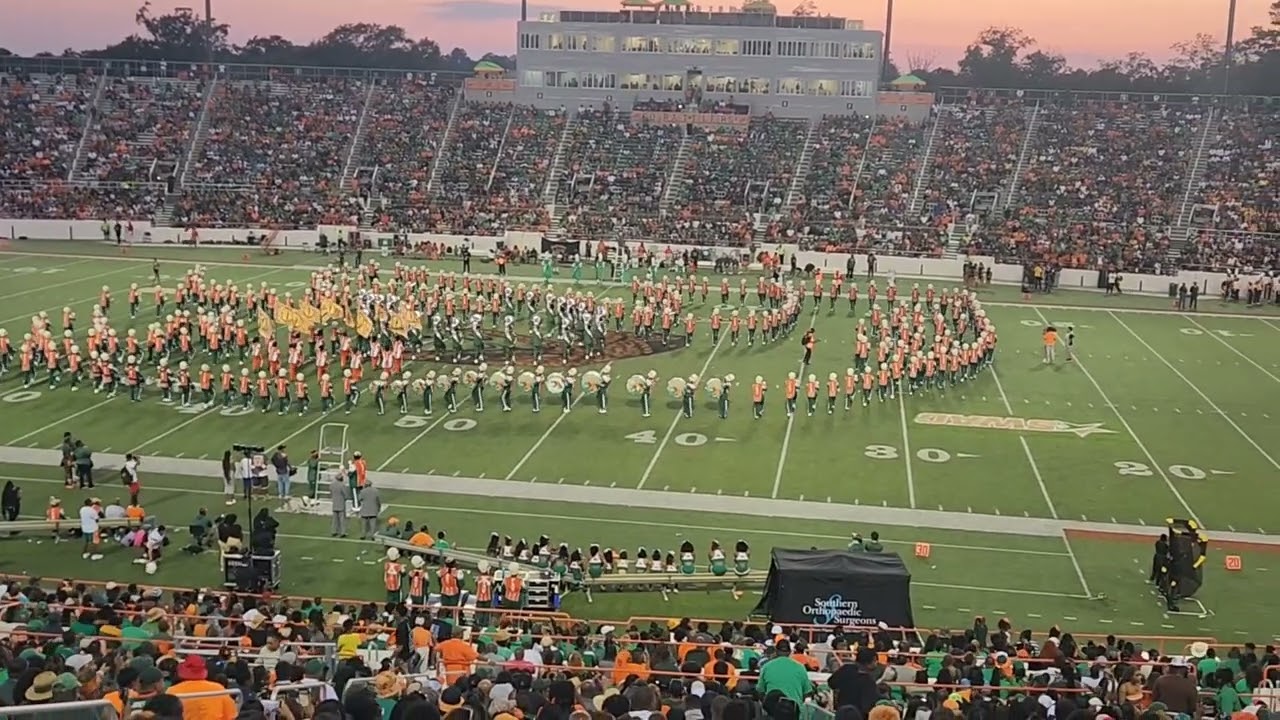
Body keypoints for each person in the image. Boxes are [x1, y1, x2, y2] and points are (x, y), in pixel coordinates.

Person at [330, 470, 352, 537]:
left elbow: (331, 492)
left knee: (334, 519)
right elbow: (346, 494)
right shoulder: (342, 485)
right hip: (341, 504)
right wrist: (346, 498)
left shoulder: (332, 484)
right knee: (342, 519)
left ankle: (334, 531)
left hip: (335, 503)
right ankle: (342, 532)